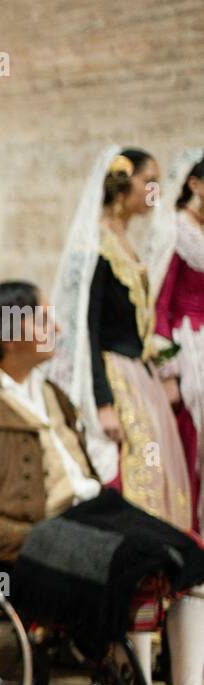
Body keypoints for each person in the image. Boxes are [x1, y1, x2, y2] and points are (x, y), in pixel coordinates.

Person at [0, 281, 204, 685]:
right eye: (42, 318)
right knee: (138, 566)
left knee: (191, 555)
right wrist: (33, 541)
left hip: (93, 511)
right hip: (42, 533)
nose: (56, 327)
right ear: (9, 334)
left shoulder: (51, 392)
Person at [50, 146, 192, 533]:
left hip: (140, 376)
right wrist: (103, 404)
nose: (155, 193)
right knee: (134, 475)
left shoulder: (124, 240)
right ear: (122, 184)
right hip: (115, 378)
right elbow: (87, 331)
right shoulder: (96, 246)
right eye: (149, 182)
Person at [148, 149, 204, 531]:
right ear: (194, 184)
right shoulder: (175, 229)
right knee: (188, 442)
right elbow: (159, 303)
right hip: (187, 348)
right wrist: (168, 372)